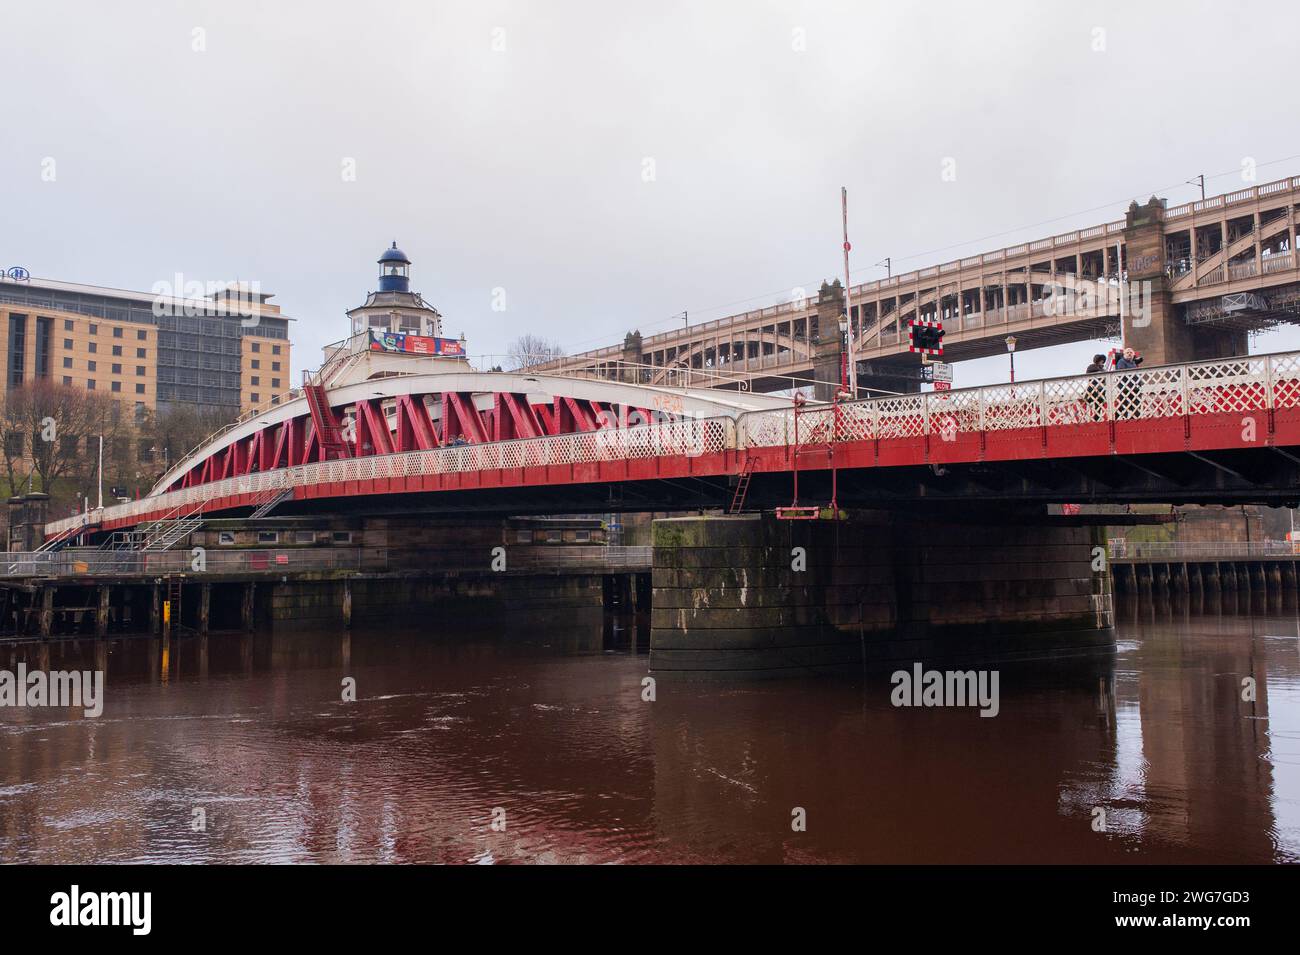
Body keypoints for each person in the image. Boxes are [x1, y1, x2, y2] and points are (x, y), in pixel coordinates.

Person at [1114, 346, 1143, 418]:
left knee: (1136, 405)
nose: (1129, 354)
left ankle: (1135, 419)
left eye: (1131, 353)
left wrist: (1139, 383)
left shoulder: (1133, 363)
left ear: (1133, 355)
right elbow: (1121, 374)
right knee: (1124, 405)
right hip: (1125, 387)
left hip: (1134, 387)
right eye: (1127, 352)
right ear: (1124, 354)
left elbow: (1136, 375)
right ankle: (1122, 419)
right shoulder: (1121, 362)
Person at [1085, 353, 1107, 421]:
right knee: (1092, 404)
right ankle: (1090, 418)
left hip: (1100, 389)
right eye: (1100, 360)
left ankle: (1096, 418)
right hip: (1093, 388)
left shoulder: (1102, 368)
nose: (1101, 361)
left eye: (1102, 360)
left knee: (1099, 405)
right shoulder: (1092, 366)